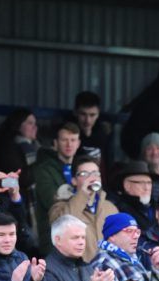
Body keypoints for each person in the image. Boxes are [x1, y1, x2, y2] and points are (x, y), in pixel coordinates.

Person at [48, 155, 118, 262]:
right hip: (80, 272)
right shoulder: (60, 206)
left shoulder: (110, 207)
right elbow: (60, 225)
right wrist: (83, 195)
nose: (92, 178)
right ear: (74, 181)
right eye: (84, 174)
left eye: (95, 173)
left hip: (110, 271)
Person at [32, 121, 82, 253]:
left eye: (73, 140)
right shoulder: (44, 169)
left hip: (81, 234)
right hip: (54, 235)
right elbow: (51, 201)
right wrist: (80, 193)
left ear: (78, 143)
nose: (69, 144)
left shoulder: (83, 168)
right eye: (64, 140)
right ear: (55, 143)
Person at [111, 160, 155, 230]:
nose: (146, 188)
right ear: (127, 185)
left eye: (149, 183)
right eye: (141, 183)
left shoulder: (157, 206)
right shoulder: (118, 209)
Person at [73, 91, 111, 168]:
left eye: (92, 115)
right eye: (83, 114)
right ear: (75, 113)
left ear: (98, 114)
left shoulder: (103, 134)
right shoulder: (69, 135)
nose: (87, 120)